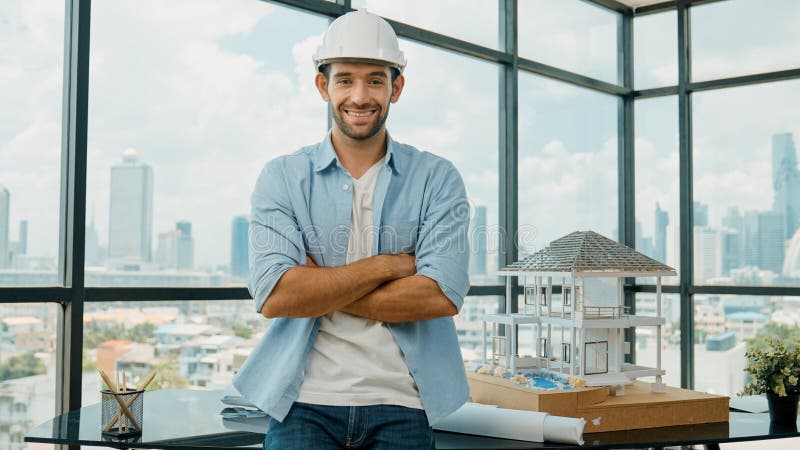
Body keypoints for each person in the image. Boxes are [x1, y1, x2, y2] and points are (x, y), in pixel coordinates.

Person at [233, 9, 470, 449]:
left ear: (396, 88)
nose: (359, 97)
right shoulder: (283, 177)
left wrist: (319, 285)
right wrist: (387, 266)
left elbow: (439, 296)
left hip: (403, 402)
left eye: (375, 80)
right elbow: (276, 296)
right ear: (323, 86)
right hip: (303, 403)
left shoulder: (436, 179)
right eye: (345, 80)